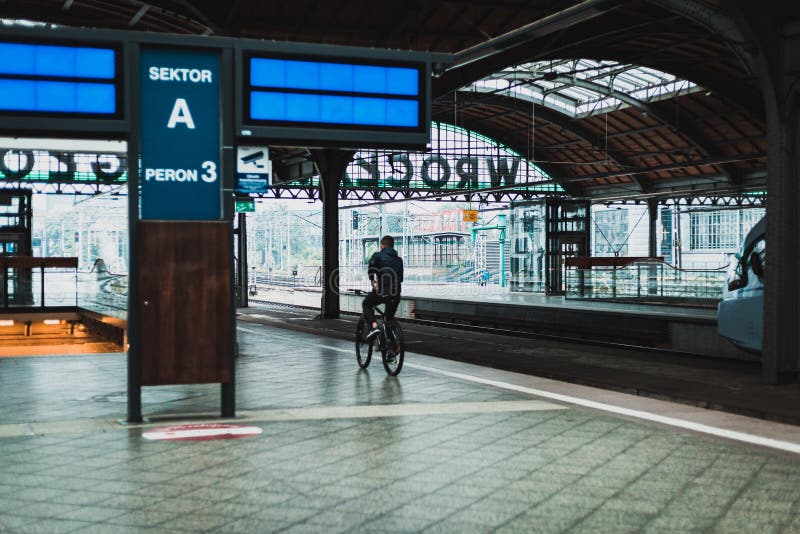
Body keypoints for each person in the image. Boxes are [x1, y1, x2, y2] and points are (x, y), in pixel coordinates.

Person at [363, 235, 404, 346]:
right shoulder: (399, 260)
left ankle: (374, 327)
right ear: (392, 246)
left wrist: (372, 279)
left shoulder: (378, 256)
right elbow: (400, 278)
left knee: (366, 304)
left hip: (382, 291)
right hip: (395, 294)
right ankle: (392, 347)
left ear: (382, 245)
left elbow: (371, 265)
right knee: (388, 319)